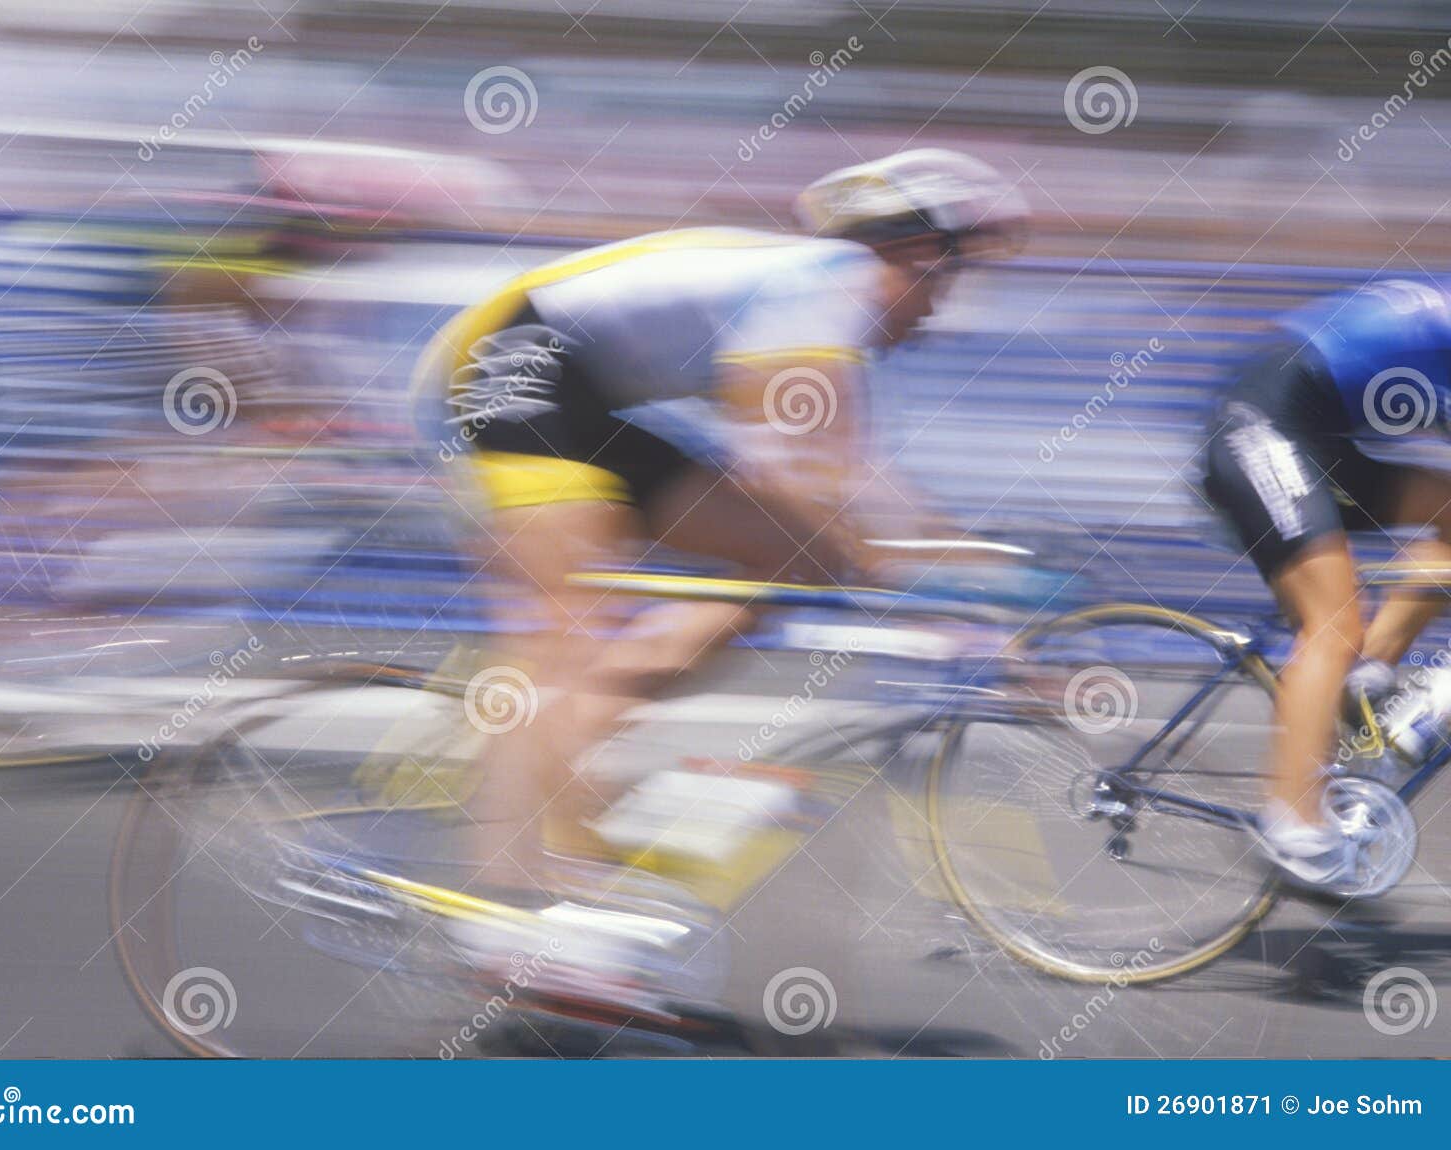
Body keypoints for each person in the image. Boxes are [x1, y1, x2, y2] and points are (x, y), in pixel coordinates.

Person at [411, 149, 1028, 987]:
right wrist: (956, 602)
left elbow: (847, 506)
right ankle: (517, 909)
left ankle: (607, 699)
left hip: (582, 393)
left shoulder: (824, 307)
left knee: (796, 558)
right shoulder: (827, 285)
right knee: (564, 632)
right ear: (917, 258)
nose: (941, 314)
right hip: (511, 361)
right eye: (950, 283)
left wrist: (970, 580)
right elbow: (815, 477)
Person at [1202, 278, 1451, 892]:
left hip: (1309, 437)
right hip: (1262, 426)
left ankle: (1368, 677)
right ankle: (1291, 824)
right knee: (1333, 621)